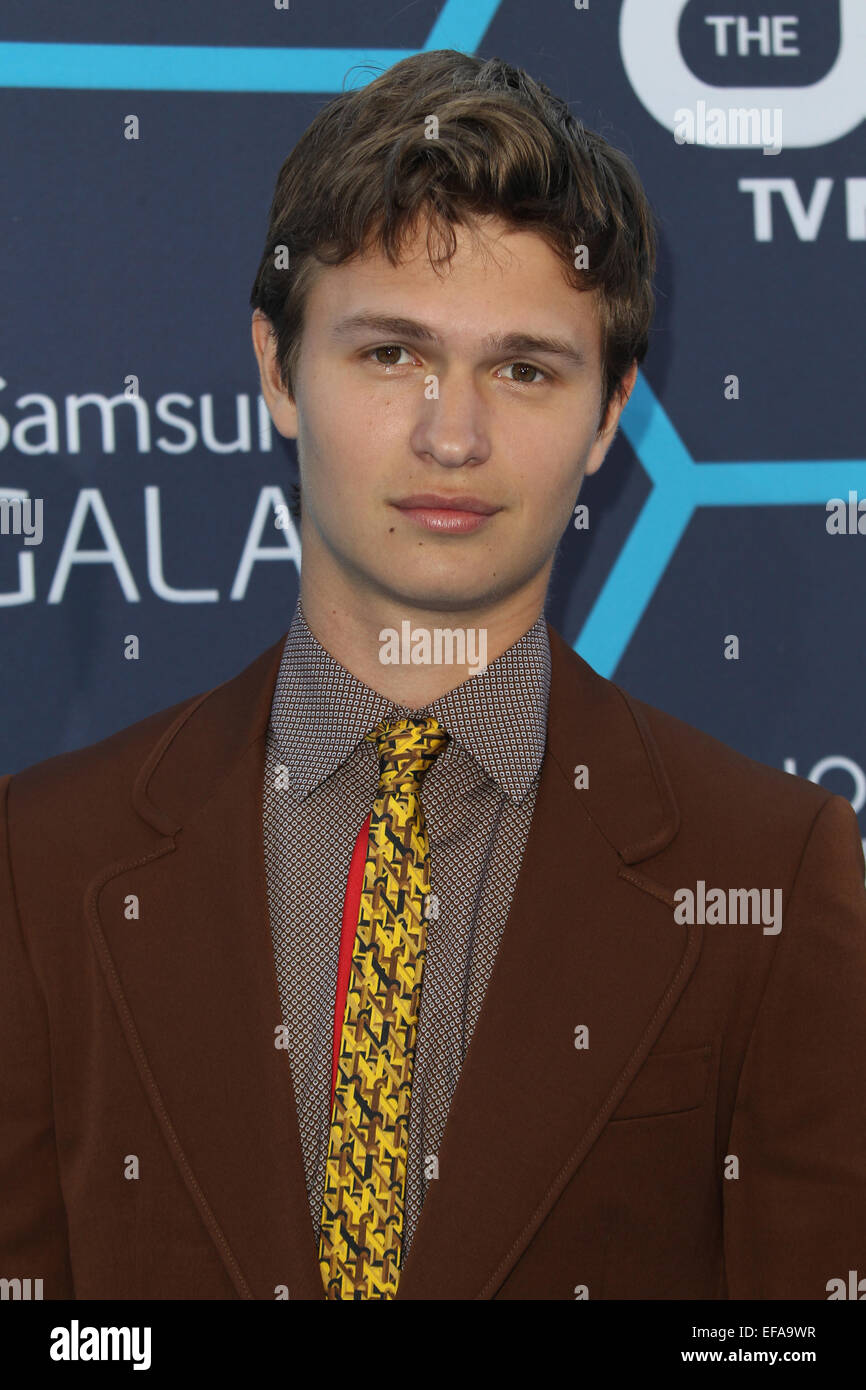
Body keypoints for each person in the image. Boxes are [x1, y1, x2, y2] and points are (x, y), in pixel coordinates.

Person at [1, 48, 864, 1302]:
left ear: (610, 410)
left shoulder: (763, 866)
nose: (450, 434)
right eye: (390, 354)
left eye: (523, 369)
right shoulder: (46, 859)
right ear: (275, 369)